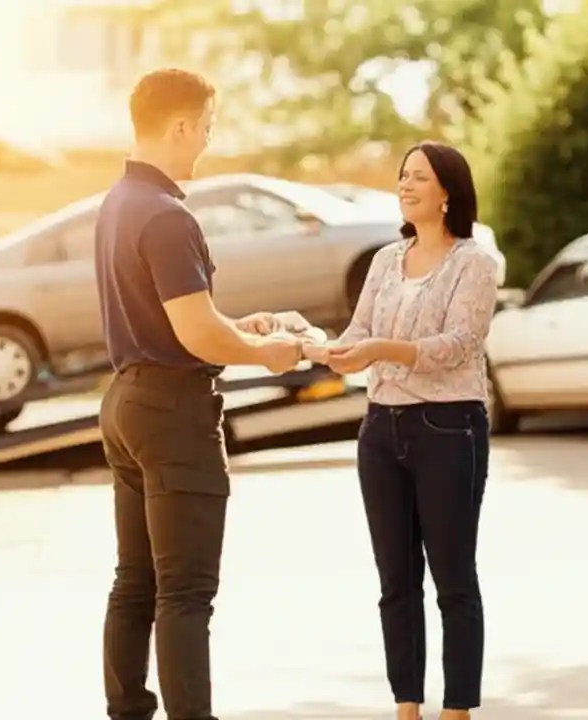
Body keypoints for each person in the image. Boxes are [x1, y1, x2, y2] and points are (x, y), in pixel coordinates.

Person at [93, 68, 308, 720]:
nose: (206, 144)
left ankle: (128, 711)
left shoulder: (116, 203)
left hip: (126, 402)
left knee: (136, 581)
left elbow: (179, 321)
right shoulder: (166, 216)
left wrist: (237, 328)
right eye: (207, 129)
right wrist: (263, 353)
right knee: (185, 592)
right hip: (172, 415)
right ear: (181, 125)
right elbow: (192, 331)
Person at [321, 141, 500, 720]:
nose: (405, 185)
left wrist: (380, 350)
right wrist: (310, 342)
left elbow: (459, 346)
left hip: (447, 428)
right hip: (381, 432)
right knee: (395, 582)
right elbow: (358, 334)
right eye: (402, 176)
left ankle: (458, 710)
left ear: (447, 192)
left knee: (453, 578)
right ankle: (407, 706)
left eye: (418, 177)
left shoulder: (474, 263)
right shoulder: (383, 261)